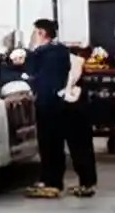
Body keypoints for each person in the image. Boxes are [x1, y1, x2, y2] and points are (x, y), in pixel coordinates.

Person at [16, 19, 97, 198]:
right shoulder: (63, 51)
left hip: (52, 107)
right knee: (80, 145)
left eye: (33, 32)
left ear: (41, 33)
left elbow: (45, 83)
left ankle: (51, 184)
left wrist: (40, 101)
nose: (32, 37)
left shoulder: (43, 54)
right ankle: (87, 183)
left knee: (51, 146)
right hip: (75, 105)